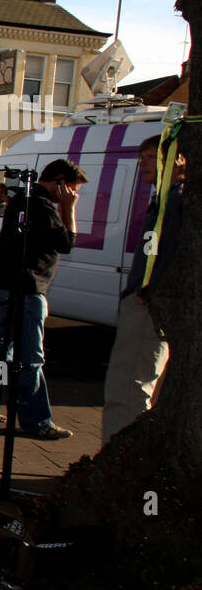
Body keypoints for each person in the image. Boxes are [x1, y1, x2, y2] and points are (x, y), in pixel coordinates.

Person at [0, 158, 88, 439]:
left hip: (6, 285)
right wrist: (69, 209)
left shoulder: (21, 202)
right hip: (27, 290)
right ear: (61, 183)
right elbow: (66, 243)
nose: (74, 195)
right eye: (72, 189)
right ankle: (36, 421)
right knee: (31, 357)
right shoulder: (43, 207)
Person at [102, 134, 185, 443]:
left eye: (151, 157)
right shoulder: (165, 198)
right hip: (144, 302)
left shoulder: (175, 200)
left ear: (179, 160)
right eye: (142, 157)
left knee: (127, 388)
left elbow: (172, 254)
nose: (143, 163)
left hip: (147, 308)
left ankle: (118, 456)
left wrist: (144, 293)